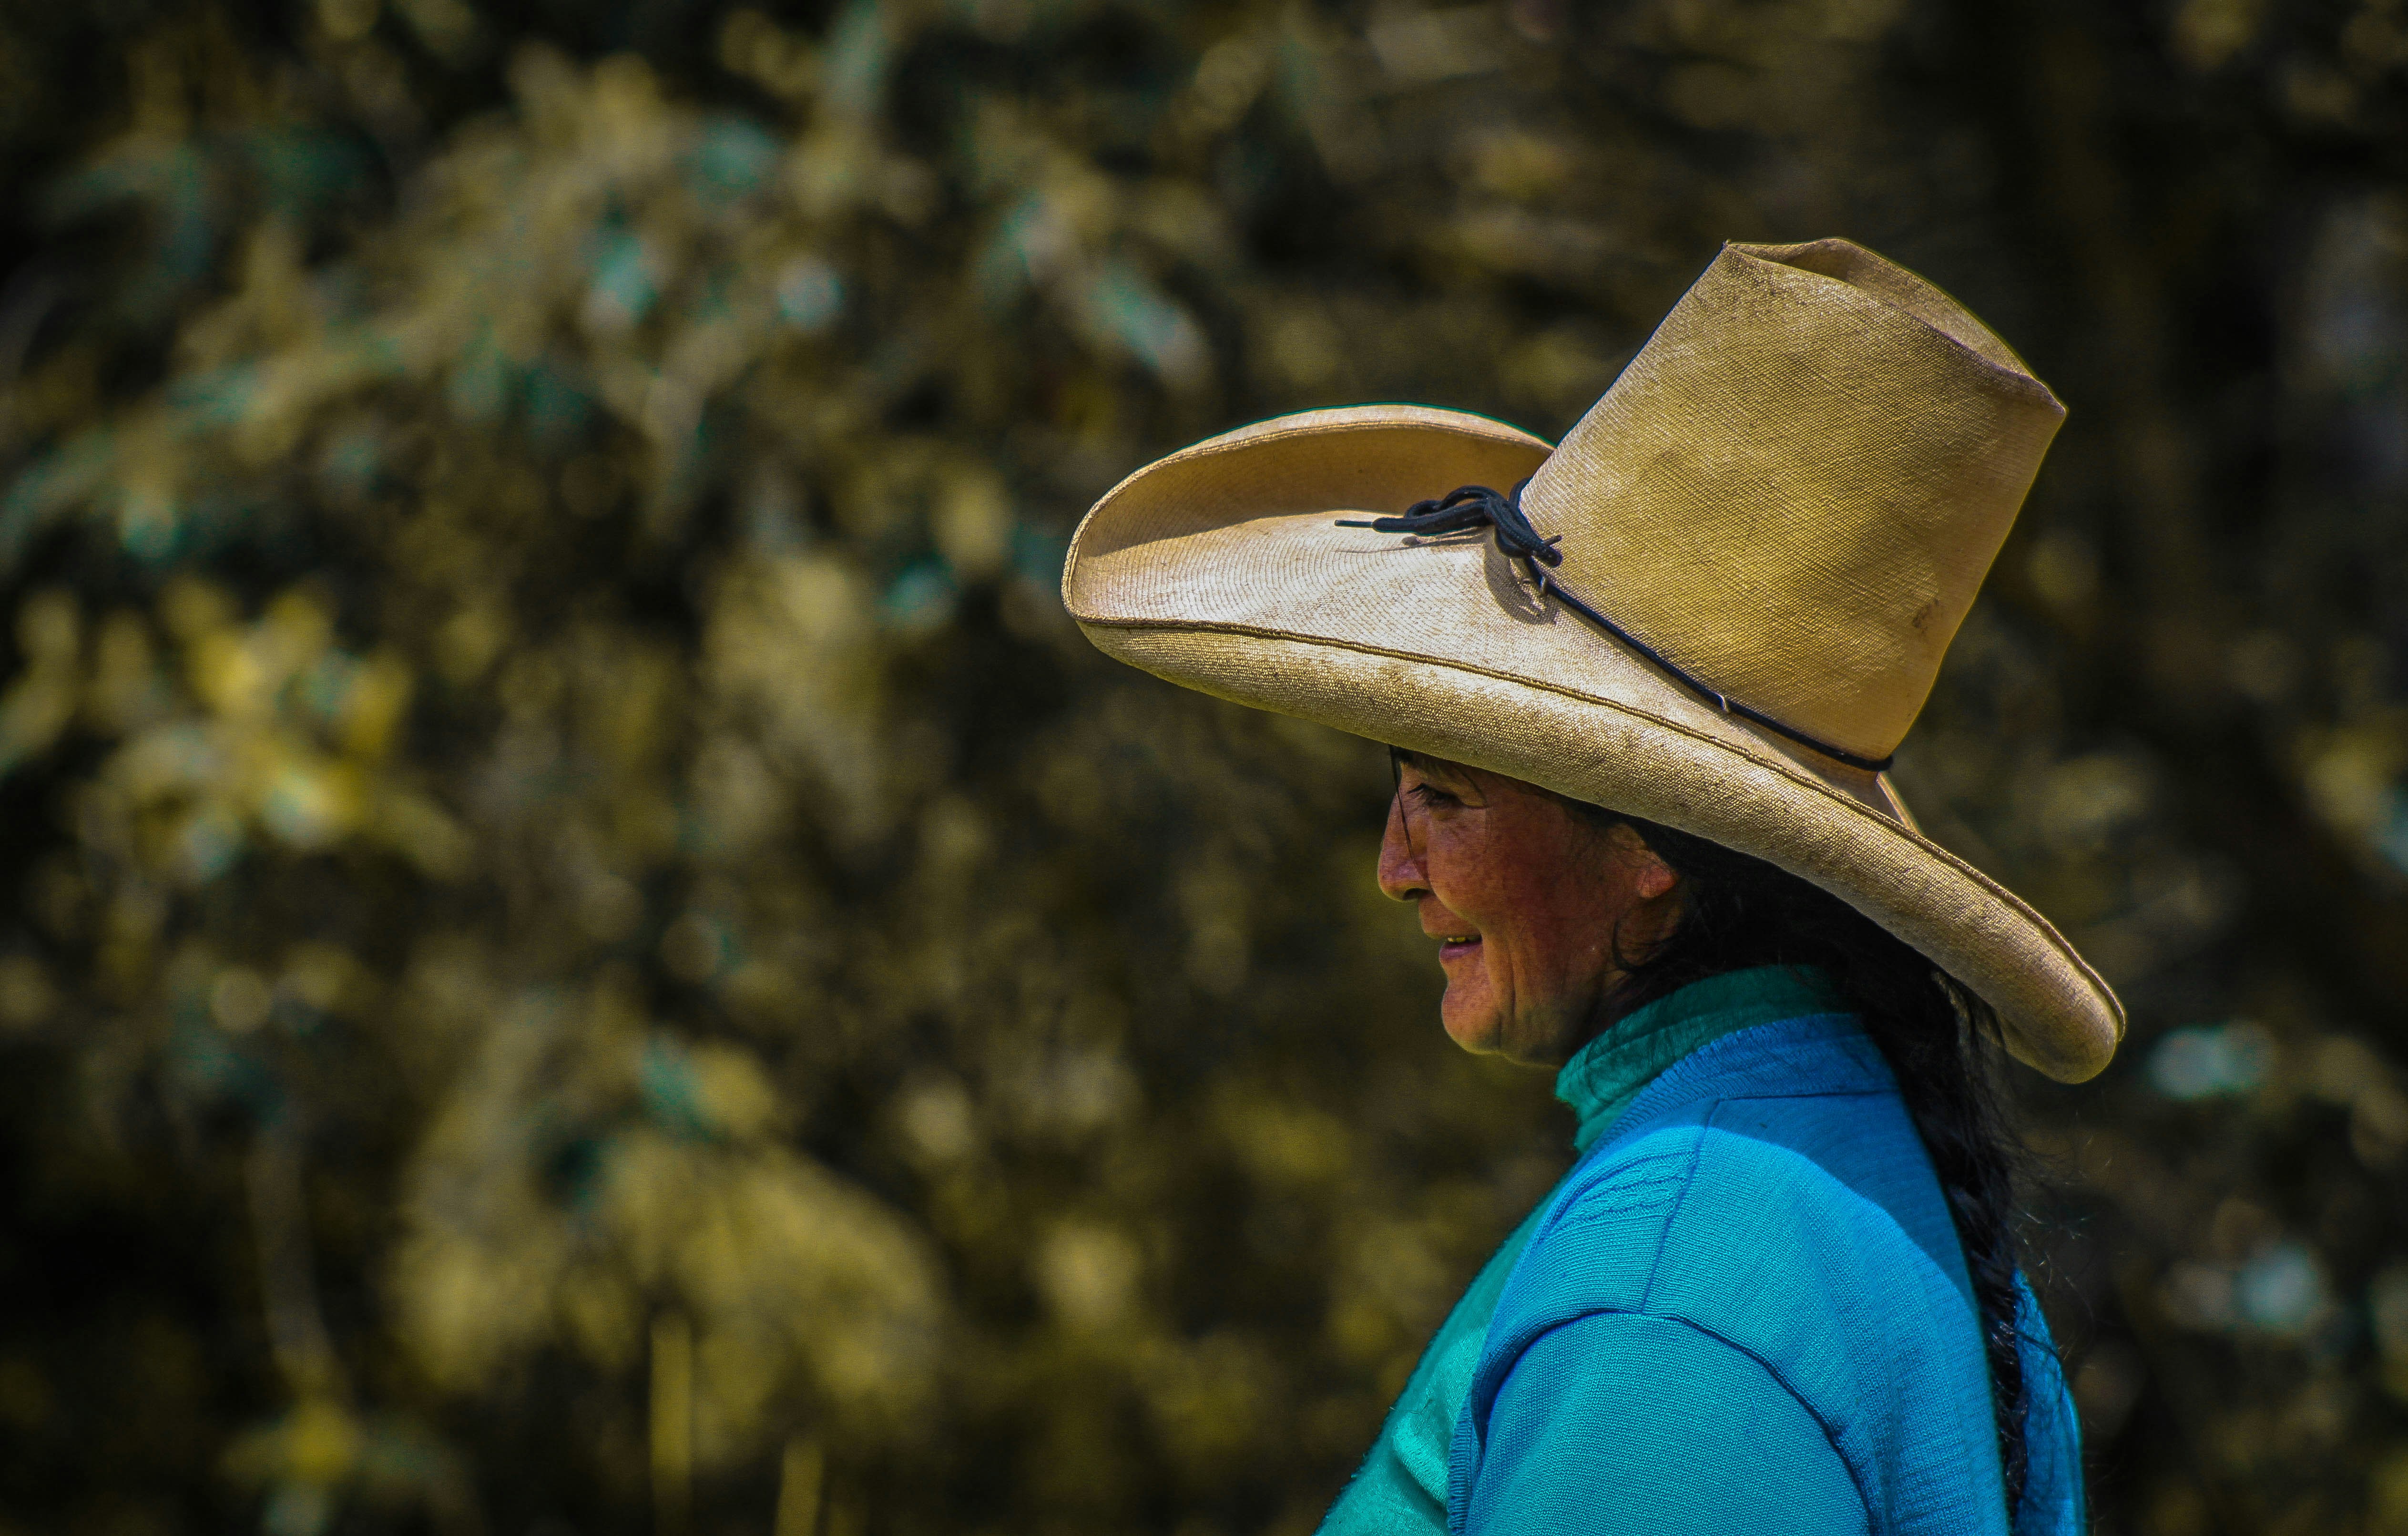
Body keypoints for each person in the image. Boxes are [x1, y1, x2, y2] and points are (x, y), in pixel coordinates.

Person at [1061, 238, 2119, 1535]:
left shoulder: (1667, 1295)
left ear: (1652, 854)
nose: (1394, 871)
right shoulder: (1869, 1191)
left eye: (1444, 799)